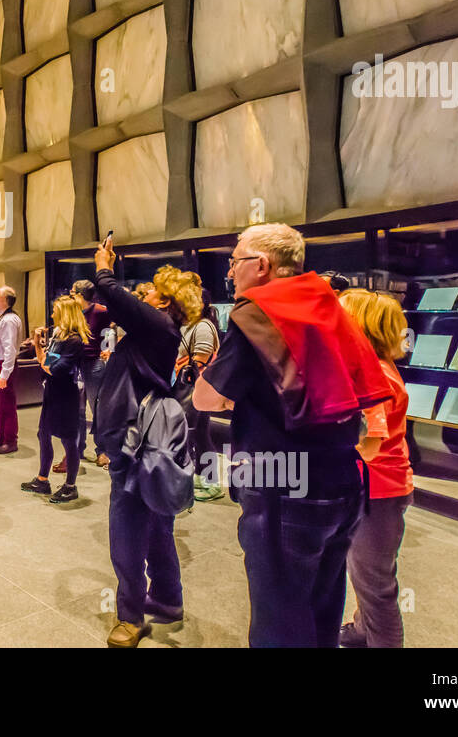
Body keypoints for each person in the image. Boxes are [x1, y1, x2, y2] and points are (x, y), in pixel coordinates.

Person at [193, 223, 391, 648]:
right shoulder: (329, 307)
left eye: (235, 261)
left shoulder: (257, 315)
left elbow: (205, 398)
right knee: (323, 604)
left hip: (283, 483)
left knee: (279, 617)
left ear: (261, 265)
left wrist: (234, 401)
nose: (230, 272)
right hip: (344, 478)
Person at [91, 241, 186, 647]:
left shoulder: (159, 326)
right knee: (157, 521)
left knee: (126, 528)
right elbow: (108, 309)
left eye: (149, 292)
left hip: (134, 440)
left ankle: (130, 616)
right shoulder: (153, 330)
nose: (142, 295)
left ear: (164, 302)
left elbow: (113, 294)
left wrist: (103, 265)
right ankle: (166, 598)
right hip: (140, 436)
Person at [337, 288, 414, 647]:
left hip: (376, 488)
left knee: (375, 583)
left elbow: (370, 442)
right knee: (365, 572)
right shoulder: (374, 367)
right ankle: (362, 629)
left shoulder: (372, 374)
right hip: (378, 485)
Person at [22, 296, 89, 503]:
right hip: (52, 392)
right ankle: (42, 479)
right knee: (44, 434)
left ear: (65, 314)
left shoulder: (74, 341)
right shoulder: (59, 337)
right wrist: (37, 345)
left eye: (55, 312)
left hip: (66, 396)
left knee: (69, 441)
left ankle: (70, 486)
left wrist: (45, 362)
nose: (52, 315)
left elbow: (57, 369)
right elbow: (47, 364)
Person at [172, 281, 221, 502]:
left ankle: (203, 482)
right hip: (189, 387)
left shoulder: (202, 326)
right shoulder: (190, 324)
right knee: (200, 433)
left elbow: (199, 362)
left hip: (193, 388)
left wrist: (178, 364)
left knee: (191, 434)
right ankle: (205, 481)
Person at [67, 280, 112, 469]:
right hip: (75, 363)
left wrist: (109, 349)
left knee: (98, 409)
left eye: (73, 292)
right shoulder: (72, 311)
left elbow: (110, 332)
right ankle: (77, 448)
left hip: (94, 364)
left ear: (80, 294)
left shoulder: (101, 311)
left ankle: (102, 450)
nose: (70, 294)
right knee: (77, 409)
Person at [0, 285, 23, 454]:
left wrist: (4, 374)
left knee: (7, 404)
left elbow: (10, 349)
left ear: (5, 300)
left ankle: (10, 440)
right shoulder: (2, 318)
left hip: (4, 365)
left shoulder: (9, 320)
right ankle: (1, 437)